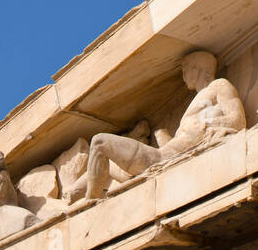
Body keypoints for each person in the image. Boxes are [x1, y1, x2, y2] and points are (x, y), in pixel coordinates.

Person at [84, 50, 245, 200]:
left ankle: (89, 204)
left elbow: (237, 119)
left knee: (99, 142)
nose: (183, 77)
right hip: (161, 156)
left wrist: (207, 125)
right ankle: (82, 199)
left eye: (185, 70)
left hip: (159, 159)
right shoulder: (198, 103)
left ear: (196, 70)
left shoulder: (219, 85)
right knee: (104, 156)